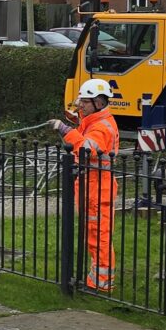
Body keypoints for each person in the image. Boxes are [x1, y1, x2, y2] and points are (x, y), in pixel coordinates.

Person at [51, 79, 120, 291]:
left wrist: (64, 130)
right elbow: (84, 133)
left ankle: (101, 283)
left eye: (84, 102)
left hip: (98, 188)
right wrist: (73, 122)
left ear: (98, 103)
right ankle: (97, 279)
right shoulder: (95, 121)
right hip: (94, 185)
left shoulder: (100, 127)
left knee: (99, 236)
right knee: (94, 234)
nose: (80, 105)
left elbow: (85, 150)